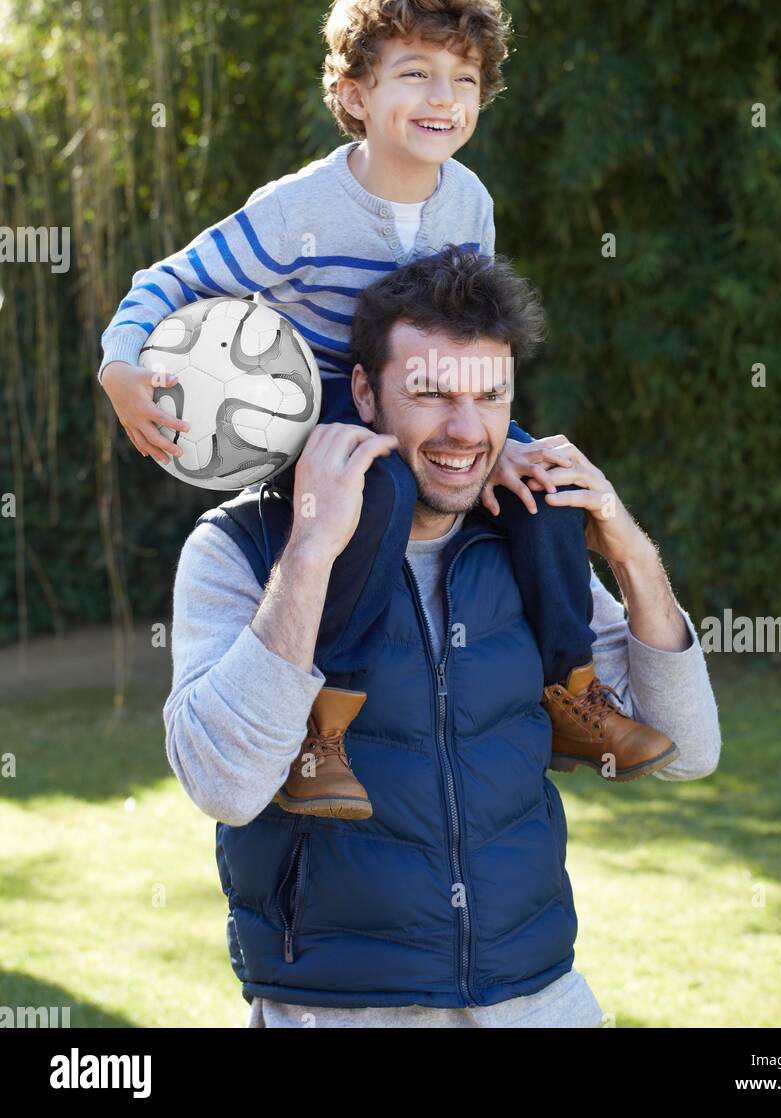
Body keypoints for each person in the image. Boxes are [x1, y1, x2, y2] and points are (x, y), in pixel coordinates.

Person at [99, 0, 675, 802]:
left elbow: (472, 335)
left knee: (545, 480)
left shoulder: (469, 201)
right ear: (355, 94)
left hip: (429, 400)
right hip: (324, 414)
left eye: (464, 79)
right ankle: (322, 730)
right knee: (383, 492)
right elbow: (168, 282)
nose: (443, 98)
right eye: (415, 74)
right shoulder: (296, 210)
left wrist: (495, 440)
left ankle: (572, 692)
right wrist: (120, 362)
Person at [164, 247, 721, 1027]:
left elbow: (688, 750)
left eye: (491, 396)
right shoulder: (244, 548)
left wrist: (629, 550)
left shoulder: (520, 537)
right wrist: (313, 548)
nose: (466, 430)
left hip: (540, 1002)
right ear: (364, 391)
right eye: (430, 393)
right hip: (340, 1012)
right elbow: (224, 785)